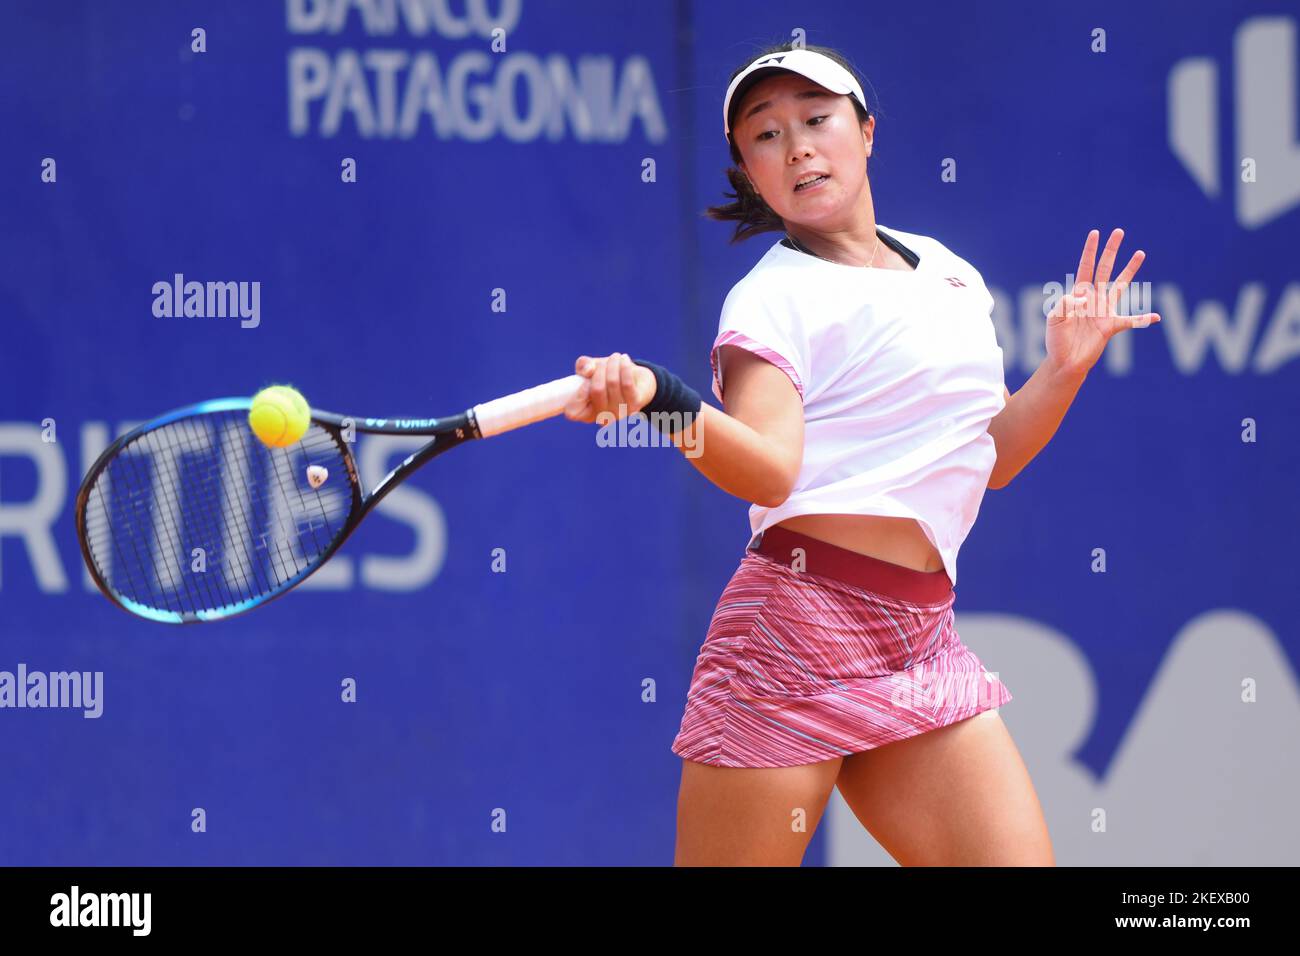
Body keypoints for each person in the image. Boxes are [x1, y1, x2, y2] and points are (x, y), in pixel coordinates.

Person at [563, 41, 1159, 867]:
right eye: (766, 135)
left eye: (816, 120)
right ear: (748, 170)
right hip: (794, 634)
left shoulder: (951, 275)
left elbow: (984, 461)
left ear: (866, 132)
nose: (798, 146)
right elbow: (770, 469)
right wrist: (665, 403)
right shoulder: (770, 300)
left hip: (921, 637)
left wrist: (1061, 372)